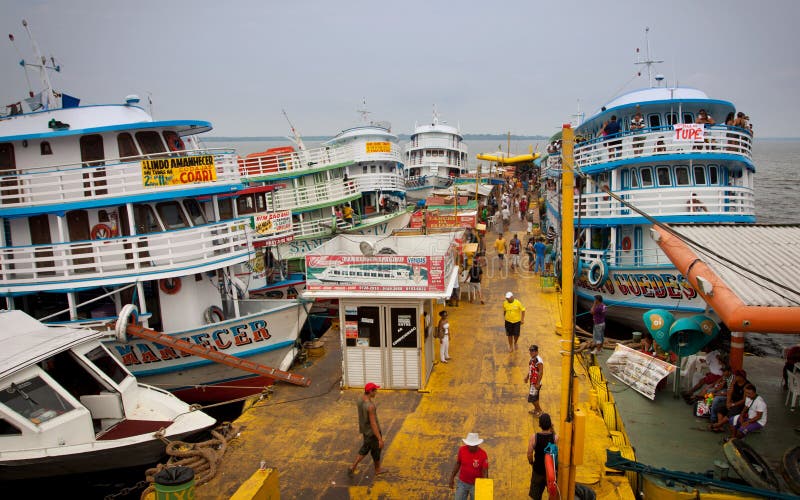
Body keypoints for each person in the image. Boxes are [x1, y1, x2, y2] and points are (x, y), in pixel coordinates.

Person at [348, 382, 384, 477]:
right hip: (372, 433)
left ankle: (353, 467)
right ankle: (378, 470)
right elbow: (373, 423)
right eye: (375, 390)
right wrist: (379, 438)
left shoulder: (360, 400)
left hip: (365, 430)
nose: (376, 392)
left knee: (365, 448)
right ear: (370, 391)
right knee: (376, 451)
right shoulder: (370, 406)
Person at [449, 432, 489, 500]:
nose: (471, 447)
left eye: (473, 445)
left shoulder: (483, 454)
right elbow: (458, 463)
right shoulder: (462, 450)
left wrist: (485, 486)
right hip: (462, 483)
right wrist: (452, 478)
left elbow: (485, 471)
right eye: (470, 445)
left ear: (477, 444)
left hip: (476, 485)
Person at [527, 413, 557, 500]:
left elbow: (529, 453)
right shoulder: (555, 438)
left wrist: (531, 462)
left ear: (539, 424)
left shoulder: (534, 437)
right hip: (551, 472)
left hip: (538, 470)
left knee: (536, 495)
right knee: (552, 494)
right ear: (550, 424)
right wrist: (552, 428)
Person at [524, 345, 544, 416]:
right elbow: (531, 369)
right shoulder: (532, 359)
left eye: (533, 351)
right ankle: (536, 410)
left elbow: (541, 372)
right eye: (530, 350)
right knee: (535, 398)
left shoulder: (538, 361)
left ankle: (540, 411)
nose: (531, 352)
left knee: (532, 398)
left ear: (536, 352)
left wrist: (538, 383)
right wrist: (527, 377)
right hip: (532, 381)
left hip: (536, 383)